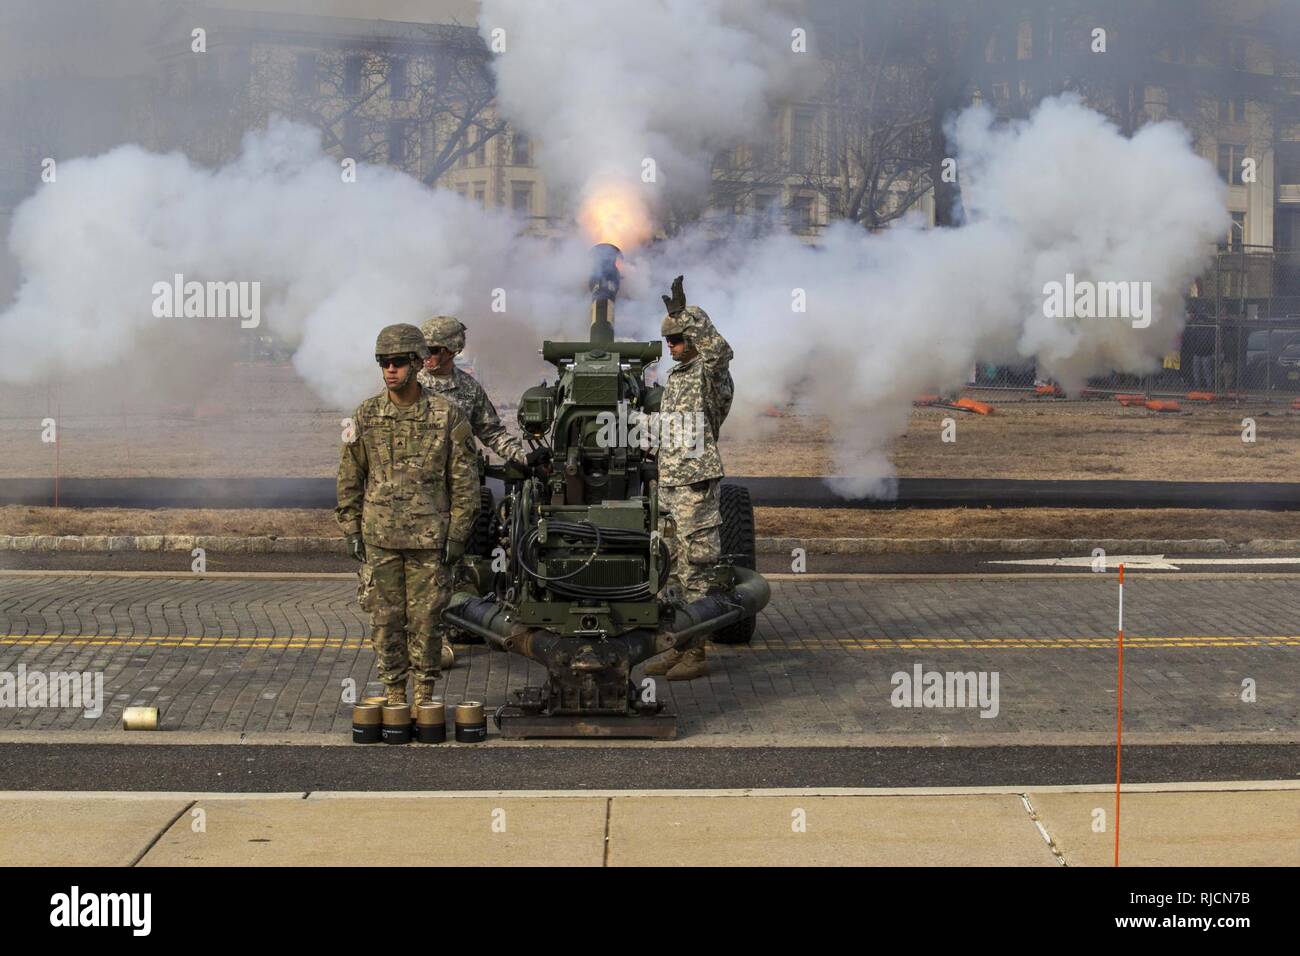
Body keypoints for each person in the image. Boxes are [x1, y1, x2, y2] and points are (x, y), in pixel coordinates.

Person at [337, 323, 478, 707]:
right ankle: (395, 695)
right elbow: (349, 479)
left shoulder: (446, 415)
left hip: (429, 542)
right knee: (384, 623)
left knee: (427, 624)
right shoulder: (365, 416)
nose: (390, 370)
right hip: (379, 540)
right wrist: (350, 529)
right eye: (384, 362)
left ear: (417, 364)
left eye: (398, 362)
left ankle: (424, 697)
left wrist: (457, 536)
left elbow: (464, 482)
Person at [418, 315, 550, 652]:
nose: (427, 357)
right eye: (423, 350)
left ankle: (457, 621)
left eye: (433, 350)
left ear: (452, 350)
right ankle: (424, 634)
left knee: (459, 557)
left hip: (460, 487)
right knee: (423, 560)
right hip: (419, 489)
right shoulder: (411, 386)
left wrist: (522, 456)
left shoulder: (467, 389)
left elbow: (490, 431)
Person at [644, 276, 734, 681]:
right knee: (670, 569)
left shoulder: (709, 374)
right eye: (669, 340)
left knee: (697, 568)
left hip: (695, 485)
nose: (672, 346)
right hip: (668, 482)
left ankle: (697, 652)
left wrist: (686, 315)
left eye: (678, 339)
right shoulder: (676, 379)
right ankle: (678, 645)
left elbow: (721, 352)